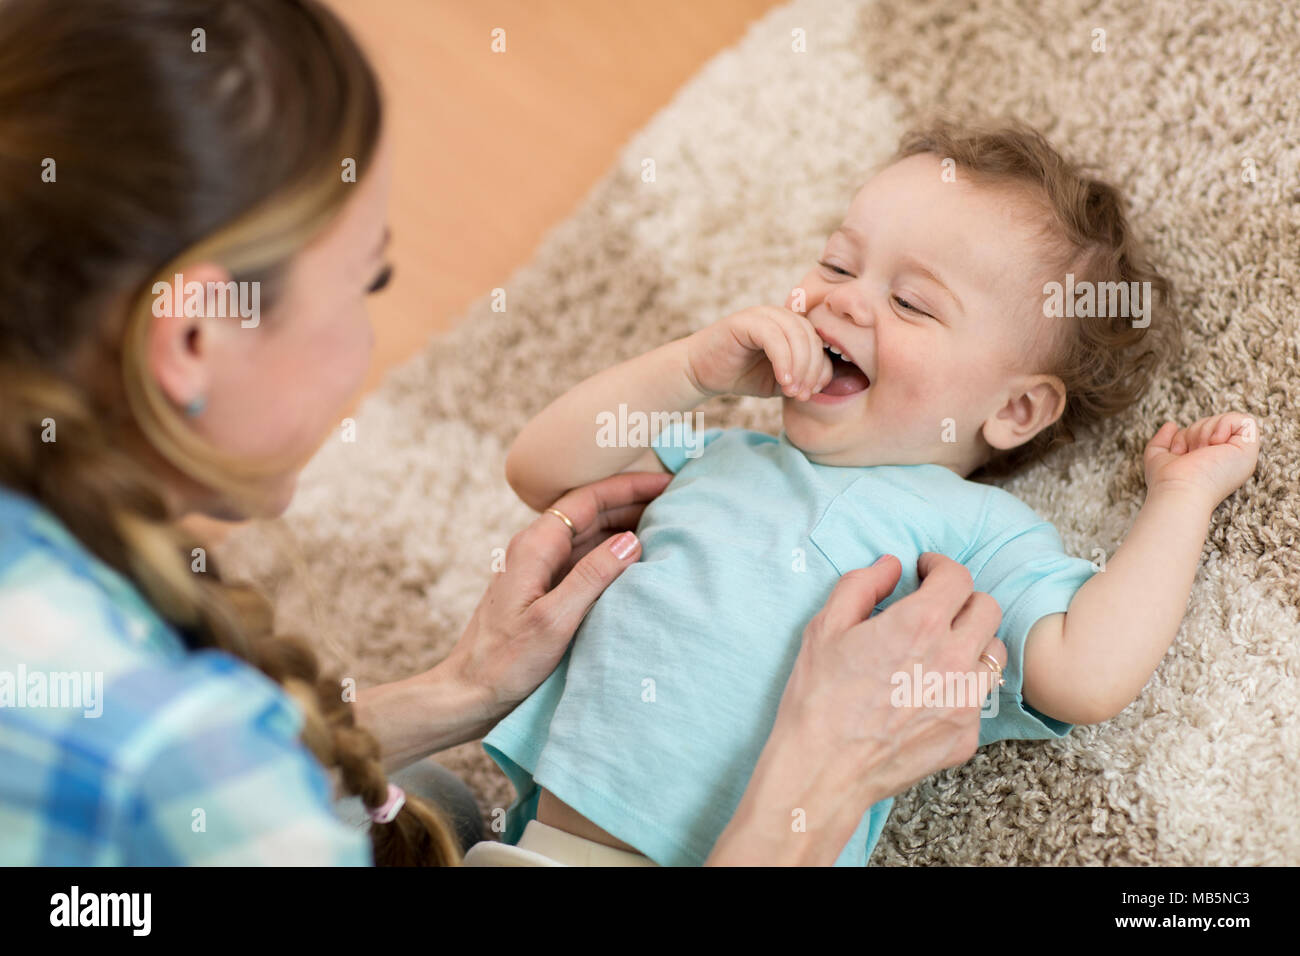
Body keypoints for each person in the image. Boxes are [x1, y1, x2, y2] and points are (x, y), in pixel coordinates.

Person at [0, 0, 1005, 866]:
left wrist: (460, 688)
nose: (368, 343)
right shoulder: (179, 759)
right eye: (368, 282)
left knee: (427, 796)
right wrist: (818, 778)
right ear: (188, 337)